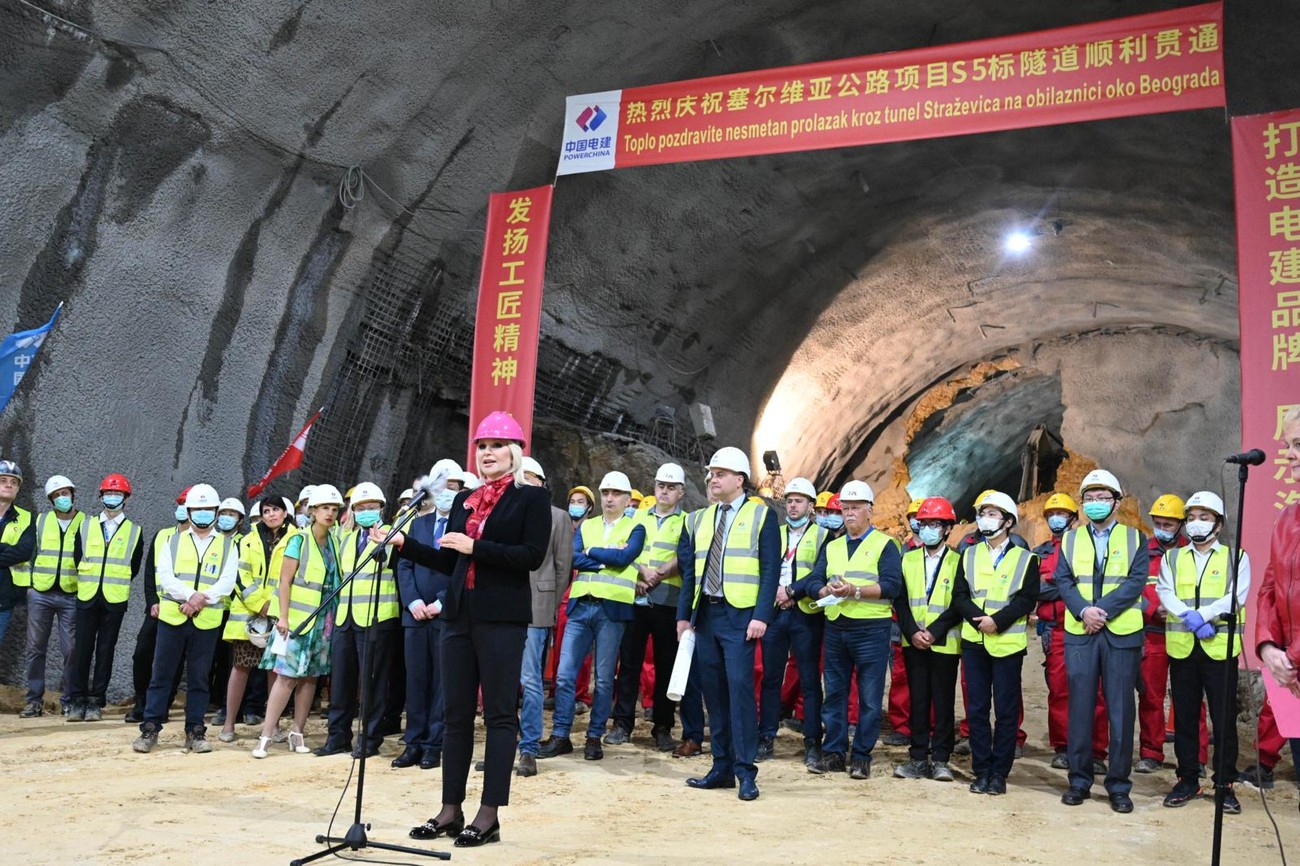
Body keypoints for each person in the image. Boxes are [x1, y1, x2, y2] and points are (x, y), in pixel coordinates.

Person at [387, 411, 549, 847]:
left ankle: (489, 814)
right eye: (481, 446)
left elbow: (531, 555)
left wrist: (476, 546)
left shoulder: (531, 498)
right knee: (454, 714)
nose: (487, 453)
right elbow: (451, 559)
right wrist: (407, 545)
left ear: (514, 452)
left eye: (496, 445)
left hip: (501, 617)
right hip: (458, 615)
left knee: (498, 714)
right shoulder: (465, 501)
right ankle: (449, 809)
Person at [676, 447, 780, 801]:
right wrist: (683, 617)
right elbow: (691, 573)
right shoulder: (699, 519)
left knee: (739, 693)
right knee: (714, 695)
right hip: (707, 616)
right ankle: (720, 766)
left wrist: (761, 615)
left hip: (740, 617)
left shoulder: (761, 515)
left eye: (720, 474)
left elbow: (770, 570)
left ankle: (745, 771)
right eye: (711, 474)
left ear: (739, 480)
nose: (712, 479)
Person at [1056, 469, 1149, 813]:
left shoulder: (1136, 538)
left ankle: (1119, 786)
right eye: (1089, 499)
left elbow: (1136, 581)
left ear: (1116, 501)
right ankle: (1079, 781)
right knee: (1079, 708)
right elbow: (1063, 581)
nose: (1095, 504)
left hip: (1121, 633)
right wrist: (1083, 612)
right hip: (1081, 634)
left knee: (1121, 711)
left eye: (1102, 497)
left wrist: (1101, 611)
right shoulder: (1070, 539)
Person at [539, 470, 644, 761]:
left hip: (612, 610)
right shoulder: (587, 525)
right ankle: (561, 735)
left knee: (604, 679)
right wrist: (603, 559)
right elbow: (574, 557)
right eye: (606, 493)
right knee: (563, 675)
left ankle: (594, 735)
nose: (610, 498)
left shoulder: (636, 527)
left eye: (616, 494)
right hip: (581, 605)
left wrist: (593, 553)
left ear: (626, 498)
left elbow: (625, 558)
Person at [801, 480, 899, 781]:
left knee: (869, 699)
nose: (850, 513)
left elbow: (893, 586)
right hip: (837, 628)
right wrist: (823, 590)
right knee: (835, 694)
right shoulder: (832, 546)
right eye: (846, 508)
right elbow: (812, 581)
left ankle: (861, 756)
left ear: (870, 511)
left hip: (871, 629)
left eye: (856, 508)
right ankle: (833, 752)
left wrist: (855, 590)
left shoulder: (885, 545)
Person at [1157, 490, 1247, 813]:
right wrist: (1190, 619)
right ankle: (1187, 779)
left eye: (1205, 518)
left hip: (1219, 649)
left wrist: (1205, 616)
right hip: (1183, 649)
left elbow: (1235, 597)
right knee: (1185, 717)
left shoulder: (1235, 557)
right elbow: (1164, 592)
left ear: (1219, 524)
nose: (1196, 524)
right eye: (1192, 518)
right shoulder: (1173, 558)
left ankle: (1224, 784)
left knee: (1223, 720)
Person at [132, 484, 238, 754]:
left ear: (215, 511)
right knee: (161, 674)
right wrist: (192, 597)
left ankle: (195, 729)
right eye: (197, 509)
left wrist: (200, 600)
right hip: (173, 616)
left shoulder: (228, 545)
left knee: (199, 678)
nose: (202, 514)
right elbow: (165, 577)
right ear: (188, 511)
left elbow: (227, 583)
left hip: (206, 620)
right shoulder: (173, 541)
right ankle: (150, 727)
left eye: (208, 509)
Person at [952, 491, 1039, 795]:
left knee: (1005, 710)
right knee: (976, 709)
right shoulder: (969, 554)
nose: (984, 519)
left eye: (992, 513)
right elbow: (960, 596)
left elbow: (1027, 598)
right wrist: (980, 619)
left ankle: (999, 772)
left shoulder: (1026, 559)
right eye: (983, 513)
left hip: (1007, 644)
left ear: (1008, 521)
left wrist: (997, 621)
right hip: (975, 643)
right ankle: (981, 769)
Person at [252, 484, 345, 758]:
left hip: (325, 621)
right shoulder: (298, 540)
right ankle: (266, 736)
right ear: (312, 511)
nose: (329, 513)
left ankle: (297, 732)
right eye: (324, 508)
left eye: (334, 508)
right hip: (297, 621)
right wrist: (282, 616)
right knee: (286, 678)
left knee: (311, 678)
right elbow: (285, 581)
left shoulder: (336, 541)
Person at [313, 482, 401, 758]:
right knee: (341, 682)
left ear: (382, 509)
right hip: (345, 618)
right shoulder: (348, 538)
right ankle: (337, 736)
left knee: (373, 683)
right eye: (360, 508)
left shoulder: (391, 534)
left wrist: (382, 543)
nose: (365, 512)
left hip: (377, 618)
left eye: (371, 508)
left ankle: (369, 740)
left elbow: (390, 563)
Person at [610, 462, 687, 753]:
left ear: (681, 492)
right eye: (660, 486)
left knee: (666, 667)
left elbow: (686, 555)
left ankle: (663, 727)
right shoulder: (635, 516)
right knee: (628, 664)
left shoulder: (687, 522)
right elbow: (624, 548)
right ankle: (622, 724)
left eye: (670, 487)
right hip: (637, 596)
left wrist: (659, 574)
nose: (664, 491)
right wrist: (640, 574)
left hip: (668, 601)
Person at [1034, 493, 1108, 771]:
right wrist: (1065, 585)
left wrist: (1055, 582)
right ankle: (1064, 747)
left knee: (1097, 691)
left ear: (1074, 518)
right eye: (1052, 514)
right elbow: (1035, 589)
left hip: (1088, 628)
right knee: (1060, 690)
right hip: (1055, 631)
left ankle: (1097, 751)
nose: (1056, 519)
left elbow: (1094, 586)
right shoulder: (1040, 552)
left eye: (1063, 514)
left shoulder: (1087, 547)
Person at [892, 496, 963, 782]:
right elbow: (900, 599)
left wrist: (934, 631)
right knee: (918, 700)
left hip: (944, 642)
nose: (930, 529)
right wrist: (912, 631)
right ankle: (918, 757)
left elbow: (960, 602)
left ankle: (942, 759)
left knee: (943, 702)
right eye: (925, 524)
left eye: (936, 524)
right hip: (914, 642)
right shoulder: (907, 559)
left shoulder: (959, 560)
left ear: (947, 529)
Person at [760, 476, 828, 768]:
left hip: (805, 614)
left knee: (810, 682)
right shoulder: (775, 532)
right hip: (776, 614)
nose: (793, 505)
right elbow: (764, 566)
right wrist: (776, 595)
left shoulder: (823, 536)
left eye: (799, 500)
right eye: (789, 500)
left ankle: (812, 742)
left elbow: (821, 572)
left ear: (811, 506)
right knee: (771, 679)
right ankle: (765, 738)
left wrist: (791, 591)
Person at [1137, 494, 1208, 775]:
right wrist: (1153, 609)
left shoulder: (1195, 553)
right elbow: (1133, 589)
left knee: (1189, 698)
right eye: (1158, 522)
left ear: (1180, 524)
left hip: (1185, 634)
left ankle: (1196, 758)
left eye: (1168, 523)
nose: (1162, 527)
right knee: (1150, 695)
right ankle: (1151, 752)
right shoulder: (1141, 553)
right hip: (1152, 633)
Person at [393, 480, 457, 771]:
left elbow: (461, 570)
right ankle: (413, 743)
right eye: (441, 486)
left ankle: (434, 745)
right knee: (415, 680)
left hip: (446, 615)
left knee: (442, 683)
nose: (445, 493)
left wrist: (442, 602)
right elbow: (404, 565)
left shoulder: (463, 525)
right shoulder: (418, 523)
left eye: (452, 486)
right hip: (415, 616)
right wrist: (413, 602)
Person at [68, 473, 143, 721]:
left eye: (118, 493)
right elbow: (77, 557)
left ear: (126, 499)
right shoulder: (86, 525)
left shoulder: (134, 531)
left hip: (114, 599)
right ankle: (77, 699)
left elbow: (133, 567)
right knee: (82, 649)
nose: (113, 497)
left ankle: (96, 701)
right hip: (87, 595)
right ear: (101, 496)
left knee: (105, 650)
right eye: (109, 493)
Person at [516, 457, 573, 776]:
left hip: (536, 606)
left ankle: (529, 747)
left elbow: (563, 566)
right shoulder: (508, 512)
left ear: (541, 481)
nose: (523, 481)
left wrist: (548, 602)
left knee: (530, 679)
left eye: (529, 477)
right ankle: (503, 745)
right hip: (505, 606)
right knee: (505, 681)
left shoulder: (558, 517)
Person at [218, 495, 291, 742]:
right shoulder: (247, 540)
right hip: (248, 616)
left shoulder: (297, 539)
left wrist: (272, 604)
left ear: (285, 513)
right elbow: (240, 575)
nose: (271, 514)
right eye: (267, 510)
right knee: (240, 668)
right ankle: (229, 724)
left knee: (275, 671)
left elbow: (291, 576)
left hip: (279, 614)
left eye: (276, 510)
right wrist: (260, 603)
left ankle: (274, 727)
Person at [1256, 405, 1300, 782]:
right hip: (1293, 676)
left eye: (1298, 443)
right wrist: (1269, 647)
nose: (1289, 455)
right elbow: (1269, 588)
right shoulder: (1287, 519)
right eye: (1288, 444)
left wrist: (1292, 658)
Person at [17, 474, 83, 718]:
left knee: (72, 650)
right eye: (56, 495)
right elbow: (28, 552)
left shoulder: (86, 523)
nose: (61, 498)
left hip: (71, 594)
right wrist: (30, 586)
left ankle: (68, 699)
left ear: (72, 494)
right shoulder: (41, 521)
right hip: (41, 593)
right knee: (35, 647)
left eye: (65, 493)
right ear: (50, 500)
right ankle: (34, 700)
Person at [125, 488, 190, 723]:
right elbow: (150, 574)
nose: (183, 508)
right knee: (142, 654)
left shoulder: (202, 542)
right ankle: (141, 702)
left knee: (172, 660)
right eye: (180, 503)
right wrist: (152, 602)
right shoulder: (163, 535)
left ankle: (162, 705)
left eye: (187, 503)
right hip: (158, 609)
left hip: (184, 611)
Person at [0, 460, 35, 649]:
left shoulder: (27, 518)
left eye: (14, 482)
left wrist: (9, 551)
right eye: (3, 480)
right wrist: (6, 547)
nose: (8, 485)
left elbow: (23, 552)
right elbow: (12, 552)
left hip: (4, 598)